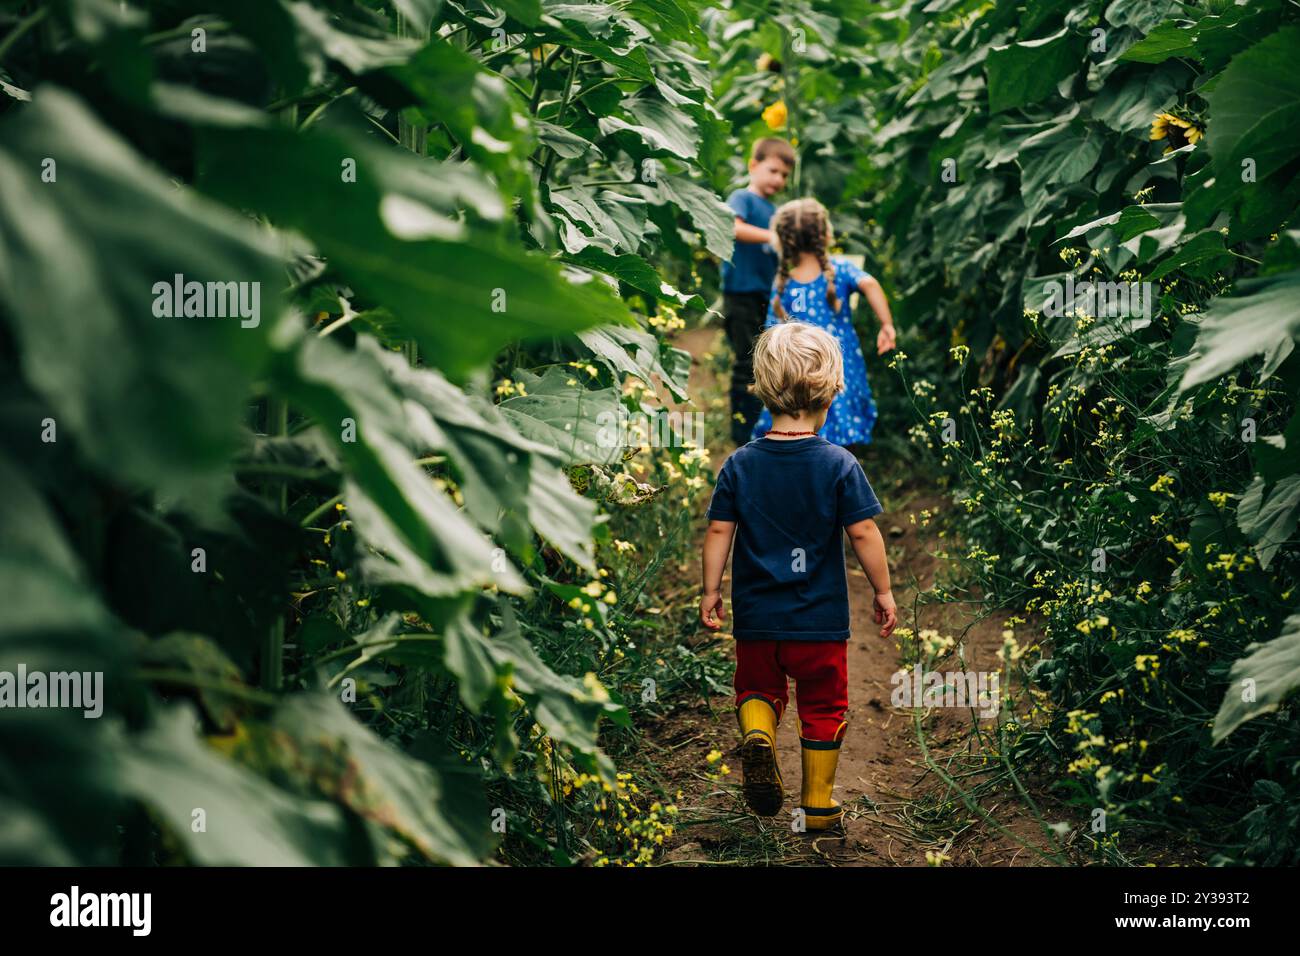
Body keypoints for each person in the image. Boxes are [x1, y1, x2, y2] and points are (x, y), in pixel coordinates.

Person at [700, 321, 898, 832]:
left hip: (759, 622)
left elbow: (720, 530)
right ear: (831, 393)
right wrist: (883, 590)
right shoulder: (838, 464)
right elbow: (863, 535)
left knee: (757, 690)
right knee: (823, 705)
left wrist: (710, 592)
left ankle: (760, 735)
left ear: (762, 391)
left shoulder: (740, 465)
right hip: (819, 624)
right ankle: (817, 807)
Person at [750, 197, 896, 449]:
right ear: (825, 235)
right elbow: (870, 284)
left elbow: (771, 332)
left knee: (796, 414)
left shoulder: (783, 281)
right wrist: (886, 325)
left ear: (784, 240)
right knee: (837, 411)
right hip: (834, 365)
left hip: (793, 367)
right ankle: (835, 465)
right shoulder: (839, 270)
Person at [721, 137, 796, 444]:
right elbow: (732, 228)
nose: (778, 179)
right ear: (753, 165)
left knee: (766, 361)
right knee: (746, 362)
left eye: (784, 176)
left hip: (766, 297)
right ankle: (741, 434)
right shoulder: (742, 198)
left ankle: (760, 428)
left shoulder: (772, 209)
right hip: (741, 293)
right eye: (773, 171)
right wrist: (773, 236)